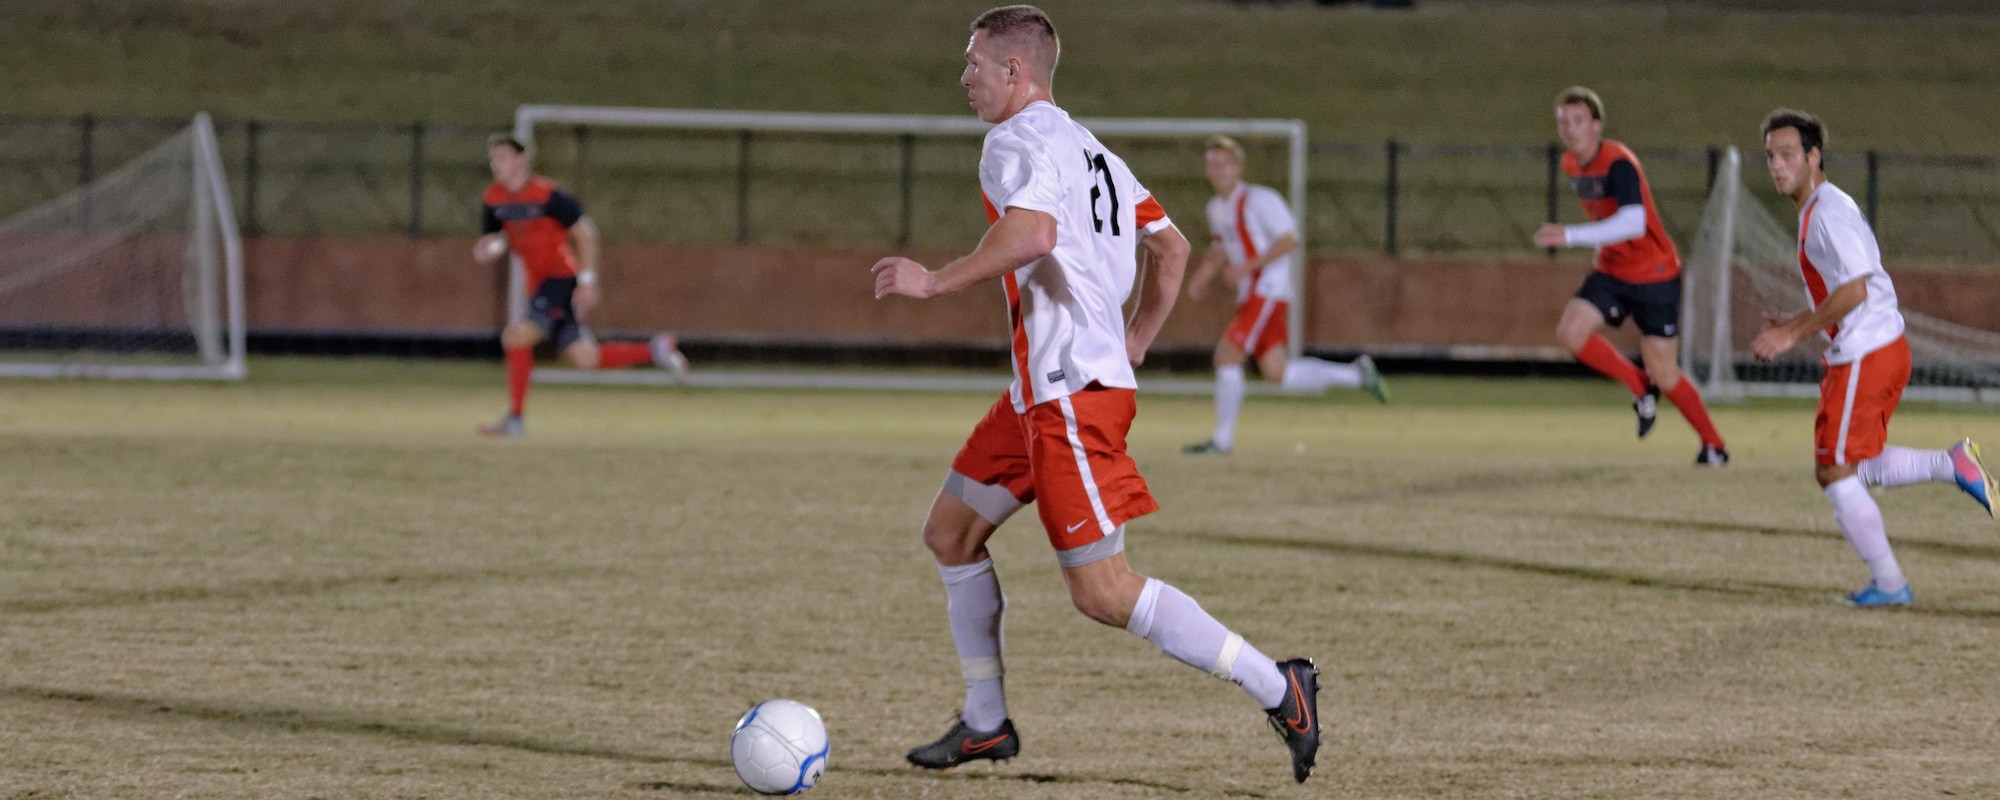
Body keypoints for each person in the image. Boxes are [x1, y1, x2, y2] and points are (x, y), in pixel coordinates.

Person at [870, 5, 1320, 783]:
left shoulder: (1014, 140)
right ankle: (985, 722)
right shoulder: (1089, 148)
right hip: (1043, 391)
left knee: (1103, 592)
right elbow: (1171, 248)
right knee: (950, 533)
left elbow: (1032, 235)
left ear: (1017, 71)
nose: (964, 77)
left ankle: (1281, 687)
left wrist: (933, 281)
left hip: (1070, 394)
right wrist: (1135, 339)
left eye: (975, 62)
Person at [1751, 108, 1995, 607]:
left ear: (1814, 157)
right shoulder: (1818, 208)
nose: (1777, 165)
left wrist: (1795, 332)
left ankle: (1889, 584)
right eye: (1771, 156)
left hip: (1867, 353)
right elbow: (1844, 287)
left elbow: (1856, 290)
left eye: (1788, 155)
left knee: (1833, 469)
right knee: (1853, 466)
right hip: (1875, 350)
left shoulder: (1828, 211)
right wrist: (1797, 317)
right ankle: (1950, 465)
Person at [1533, 87, 1729, 465]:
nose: (1570, 130)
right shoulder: (1571, 165)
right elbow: (1605, 216)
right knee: (1571, 332)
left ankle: (1714, 445)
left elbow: (1633, 222)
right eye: (1563, 122)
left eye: (1578, 121)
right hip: (1612, 270)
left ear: (1596, 125)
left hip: (1654, 274)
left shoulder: (1618, 162)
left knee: (1665, 371)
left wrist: (1571, 235)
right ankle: (1639, 387)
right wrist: (1597, 246)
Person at [1182, 135, 1387, 457]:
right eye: (1212, 163)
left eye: (1224, 163)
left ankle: (1221, 441)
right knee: (1278, 373)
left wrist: (1246, 268)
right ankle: (1355, 375)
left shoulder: (1261, 200)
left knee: (1226, 356)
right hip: (1253, 293)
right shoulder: (1217, 208)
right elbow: (1222, 246)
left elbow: (1289, 240)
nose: (1217, 169)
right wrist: (1202, 277)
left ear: (1239, 168)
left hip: (1268, 290)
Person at [473, 134, 689, 438]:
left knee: (515, 336)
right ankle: (654, 349)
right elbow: (495, 237)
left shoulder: (548, 195)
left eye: (504, 157)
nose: (497, 164)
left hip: (561, 279)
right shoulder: (493, 198)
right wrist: (488, 248)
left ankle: (515, 420)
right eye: (494, 158)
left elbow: (586, 234)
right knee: (586, 358)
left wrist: (587, 280)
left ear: (522, 161)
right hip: (539, 285)